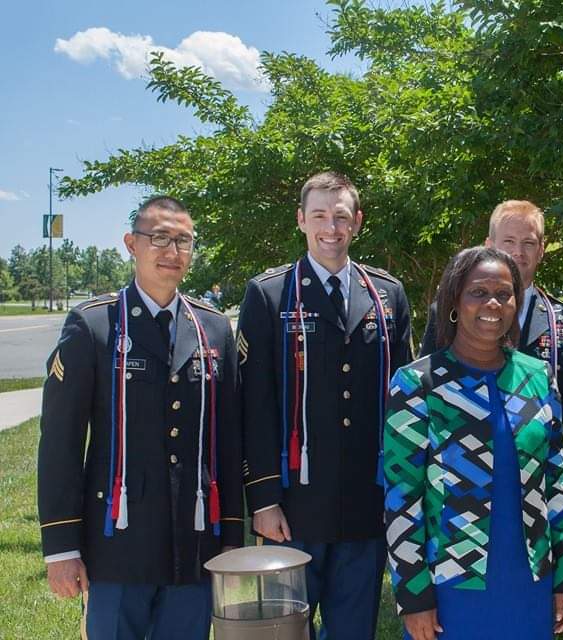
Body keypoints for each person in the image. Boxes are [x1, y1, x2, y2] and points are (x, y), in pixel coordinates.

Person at [38, 195, 243, 639]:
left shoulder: (212, 327)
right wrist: (61, 547)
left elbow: (228, 440)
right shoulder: (93, 325)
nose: (172, 251)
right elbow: (60, 443)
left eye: (184, 241)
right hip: (119, 544)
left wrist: (231, 536)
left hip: (193, 543)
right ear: (132, 244)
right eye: (160, 238)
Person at [238, 171, 412, 640]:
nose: (330, 228)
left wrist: (400, 492)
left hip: (366, 503)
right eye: (319, 216)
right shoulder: (269, 294)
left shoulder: (388, 294)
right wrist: (264, 498)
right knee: (284, 629)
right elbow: (254, 404)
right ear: (300, 220)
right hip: (294, 506)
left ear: (357, 222)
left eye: (340, 217)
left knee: (354, 630)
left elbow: (405, 405)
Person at [384, 246, 563, 640]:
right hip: (451, 584)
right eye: (478, 292)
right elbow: (401, 497)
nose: (493, 303)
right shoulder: (418, 385)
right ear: (454, 300)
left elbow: (558, 482)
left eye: (504, 294)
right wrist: (414, 594)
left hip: (529, 582)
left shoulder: (538, 378)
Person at [419, 200, 563, 454]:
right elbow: (426, 392)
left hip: (537, 469)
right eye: (508, 241)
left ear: (541, 250)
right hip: (463, 464)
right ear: (489, 245)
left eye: (529, 243)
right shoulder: (450, 313)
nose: (518, 252)